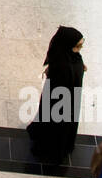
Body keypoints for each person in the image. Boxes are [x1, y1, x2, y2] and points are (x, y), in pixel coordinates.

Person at [26, 27, 86, 164]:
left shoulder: (66, 55)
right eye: (78, 45)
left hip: (66, 100)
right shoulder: (63, 65)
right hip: (60, 103)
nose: (80, 48)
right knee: (56, 129)